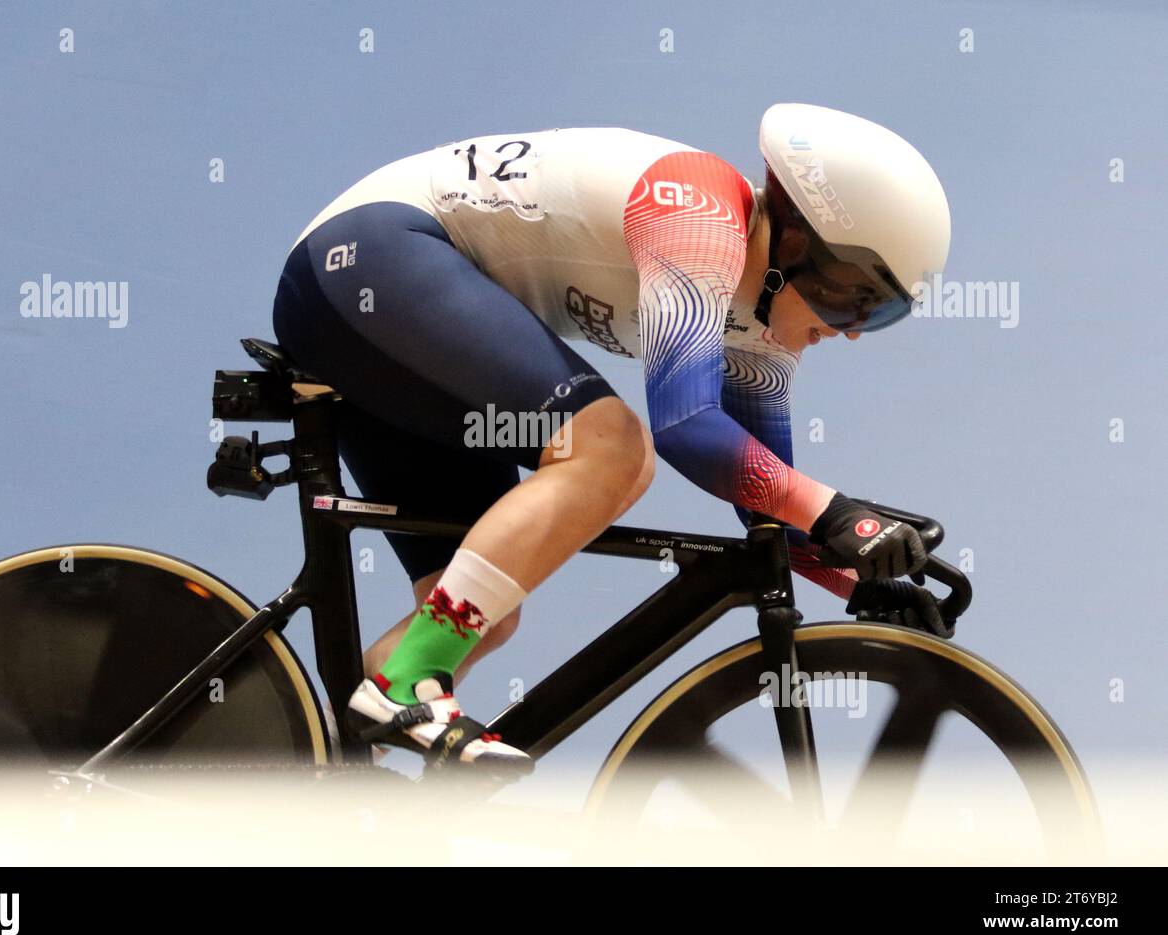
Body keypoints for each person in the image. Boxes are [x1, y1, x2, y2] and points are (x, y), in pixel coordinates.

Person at [271, 103, 952, 771]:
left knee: (478, 610)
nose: (855, 328)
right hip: (370, 259)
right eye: (852, 296)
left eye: (882, 313)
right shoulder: (699, 212)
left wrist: (856, 582)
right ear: (797, 245)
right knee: (611, 449)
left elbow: (766, 499)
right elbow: (687, 428)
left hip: (400, 323)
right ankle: (405, 685)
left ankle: (317, 763)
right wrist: (844, 518)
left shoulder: (762, 329)